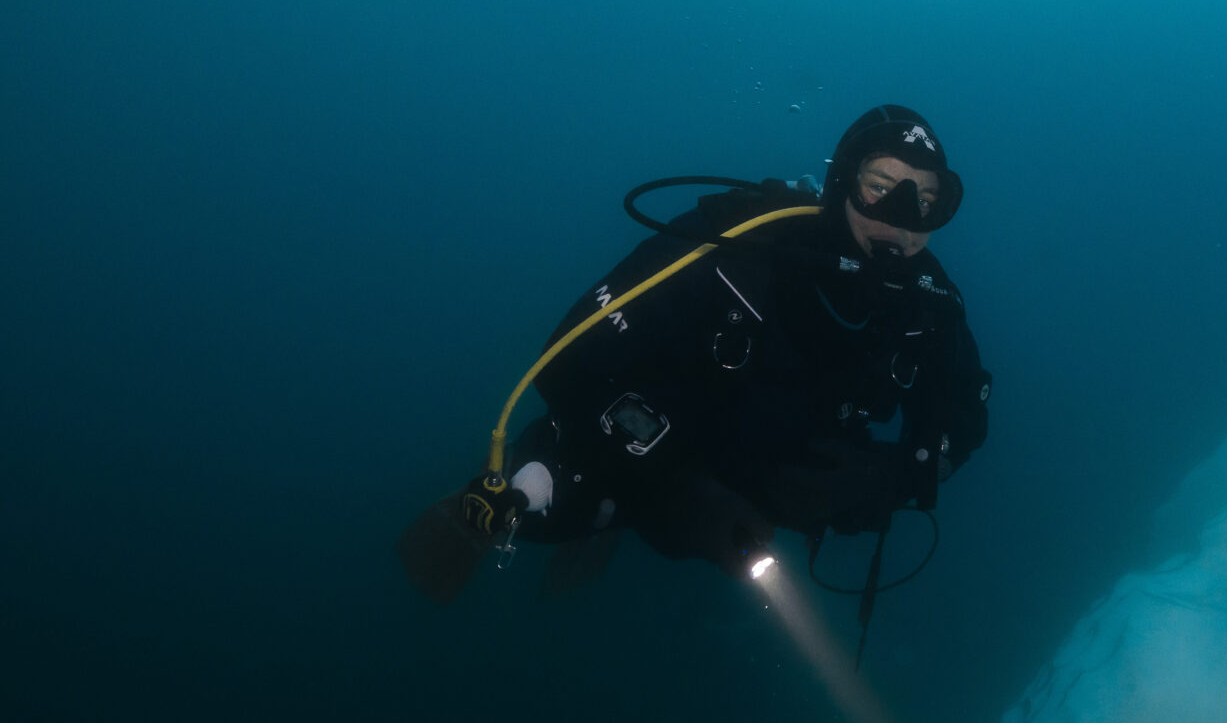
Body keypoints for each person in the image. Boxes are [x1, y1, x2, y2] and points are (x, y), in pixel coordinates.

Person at [399, 105, 992, 600]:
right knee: (542, 497)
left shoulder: (928, 301)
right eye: (880, 187)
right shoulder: (741, 242)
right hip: (640, 448)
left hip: (765, 483)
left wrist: (894, 478)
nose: (902, 221)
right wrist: (670, 489)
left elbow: (963, 416)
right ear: (841, 187)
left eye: (926, 202)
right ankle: (565, 512)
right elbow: (567, 361)